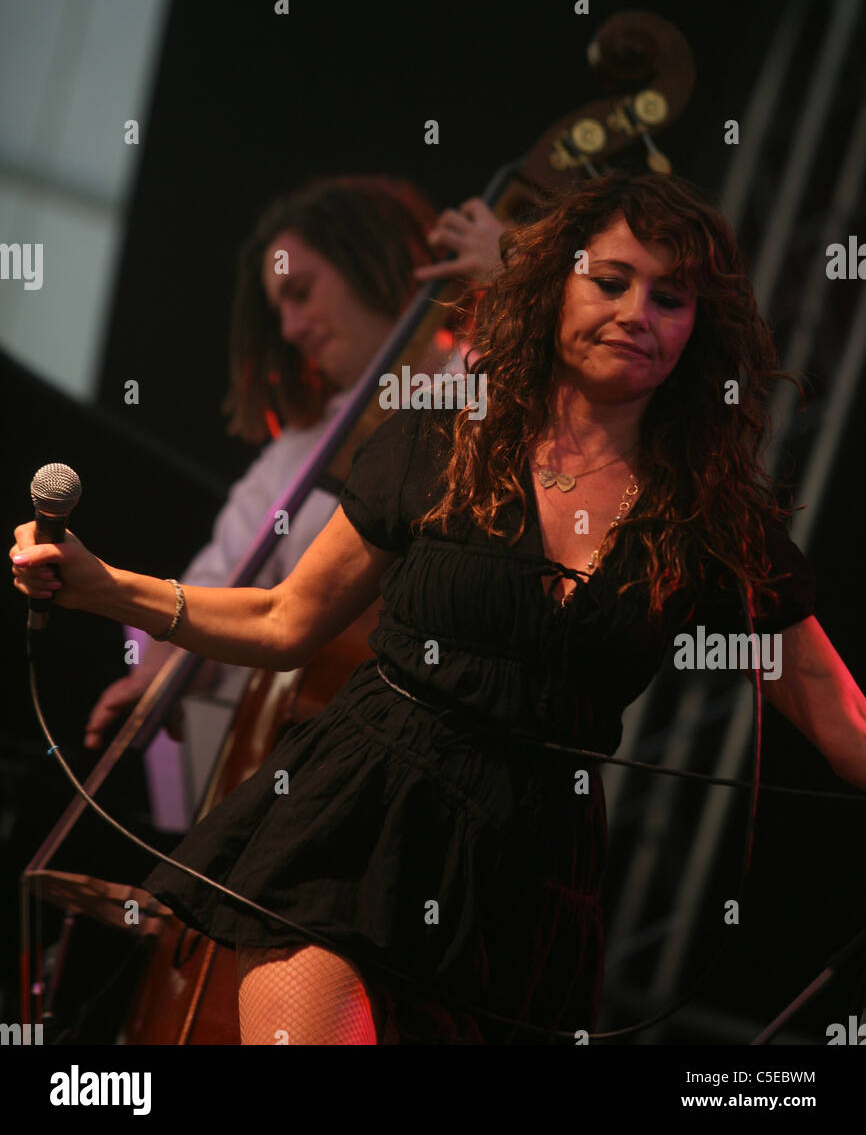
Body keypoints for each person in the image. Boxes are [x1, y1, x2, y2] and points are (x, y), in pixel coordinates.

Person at [13, 171, 865, 1046]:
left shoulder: (709, 517)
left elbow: (842, 721)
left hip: (531, 879)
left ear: (699, 329)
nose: (638, 312)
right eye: (610, 281)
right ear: (554, 286)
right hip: (355, 816)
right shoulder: (442, 439)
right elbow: (281, 621)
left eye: (672, 297)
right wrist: (105, 587)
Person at [82, 176, 511, 826]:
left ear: (376, 260)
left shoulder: (496, 380)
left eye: (301, 292)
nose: (288, 326)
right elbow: (219, 580)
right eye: (277, 309)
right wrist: (158, 679)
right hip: (286, 780)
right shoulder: (295, 455)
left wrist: (516, 276)